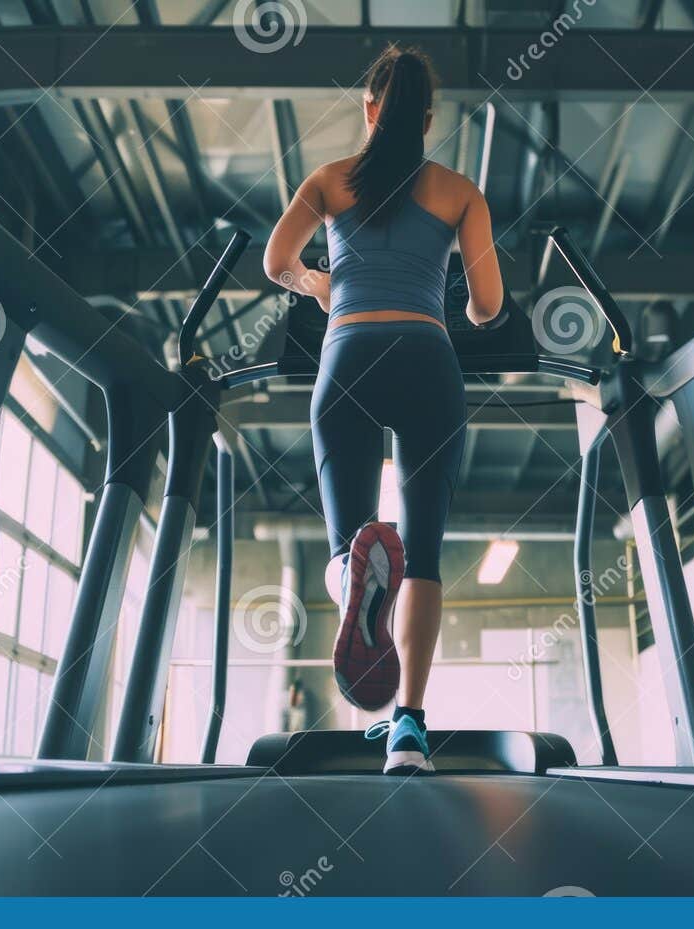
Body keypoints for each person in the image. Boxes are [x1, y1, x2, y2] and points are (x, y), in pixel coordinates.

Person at [263, 45, 502, 775]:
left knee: (345, 539)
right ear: (428, 119)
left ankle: (354, 579)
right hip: (427, 361)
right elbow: (488, 306)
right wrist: (462, 300)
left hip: (348, 358)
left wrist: (317, 283)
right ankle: (408, 731)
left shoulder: (329, 181)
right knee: (423, 551)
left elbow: (276, 261)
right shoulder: (461, 191)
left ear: (370, 110)